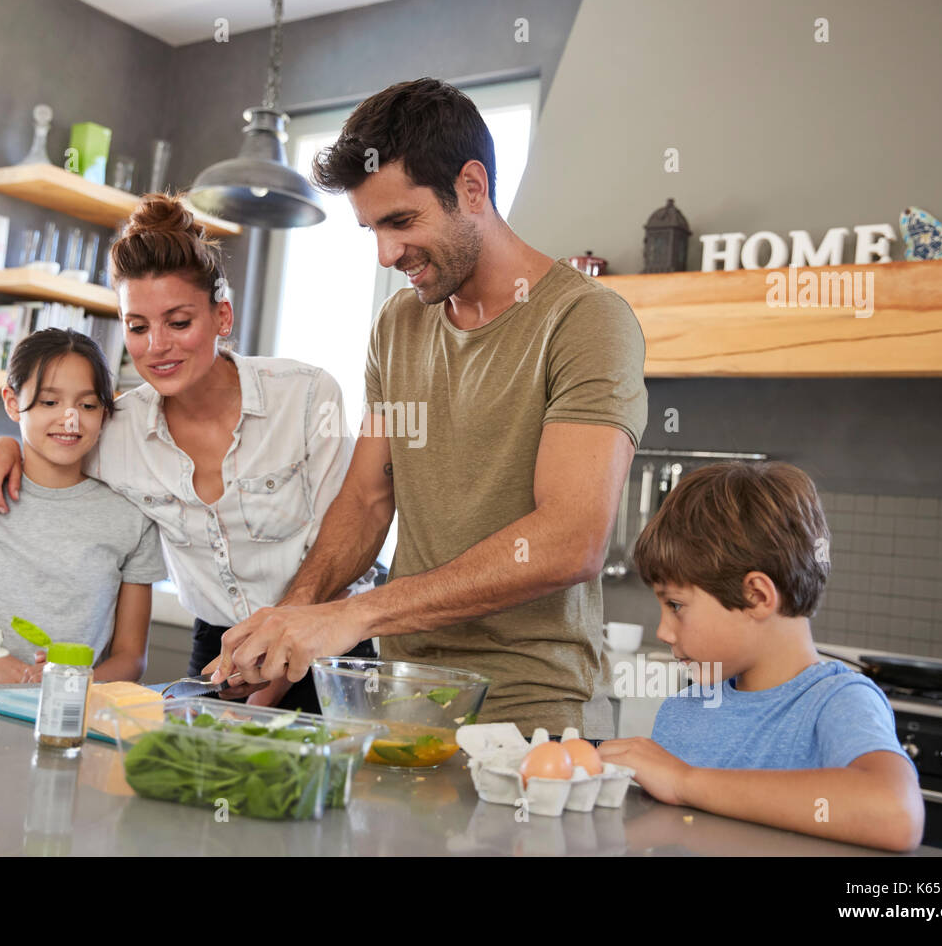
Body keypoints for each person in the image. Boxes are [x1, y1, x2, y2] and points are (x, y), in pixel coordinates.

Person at [209, 78, 647, 740]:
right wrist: (293, 620)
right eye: (371, 229)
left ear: (472, 188)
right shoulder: (398, 325)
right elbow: (366, 501)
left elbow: (571, 538)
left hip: (530, 717)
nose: (386, 254)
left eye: (401, 221)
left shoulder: (584, 320)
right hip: (407, 702)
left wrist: (356, 617)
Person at [0, 195, 375, 710]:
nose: (157, 346)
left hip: (329, 649)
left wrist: (271, 682)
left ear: (220, 317)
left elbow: (345, 539)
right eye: (137, 327)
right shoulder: (119, 430)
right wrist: (1, 446)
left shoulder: (307, 396)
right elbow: (52, 448)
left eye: (178, 322)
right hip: (218, 658)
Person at [597, 462, 924, 852]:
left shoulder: (837, 701)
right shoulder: (686, 708)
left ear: (757, 596)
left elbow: (896, 812)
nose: (663, 631)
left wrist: (684, 781)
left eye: (677, 605)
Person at [0, 328, 166, 683]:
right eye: (50, 402)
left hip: (64, 721)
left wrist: (74, 682)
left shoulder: (132, 515)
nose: (70, 418)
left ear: (106, 411)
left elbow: (130, 658)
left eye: (88, 404)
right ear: (12, 402)